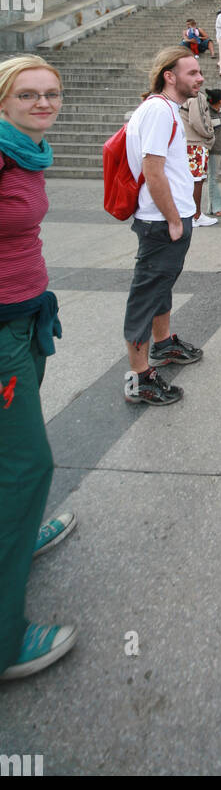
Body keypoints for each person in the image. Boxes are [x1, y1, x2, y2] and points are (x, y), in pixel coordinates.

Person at [0, 55, 77, 682]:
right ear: (3, 100)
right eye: (28, 94)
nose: (43, 103)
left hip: (27, 318)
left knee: (13, 455)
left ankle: (20, 532)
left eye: (51, 93)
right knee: (28, 464)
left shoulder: (30, 152)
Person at [123, 48, 206, 406]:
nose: (200, 78)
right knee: (146, 296)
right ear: (169, 76)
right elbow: (153, 172)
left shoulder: (167, 109)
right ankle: (140, 378)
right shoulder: (158, 111)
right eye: (192, 72)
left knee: (161, 288)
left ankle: (163, 343)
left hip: (170, 219)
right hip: (161, 222)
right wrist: (174, 220)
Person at [180, 87, 218, 226]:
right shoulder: (196, 96)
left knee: (189, 180)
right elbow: (197, 120)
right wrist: (209, 134)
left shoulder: (180, 94)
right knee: (197, 180)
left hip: (185, 142)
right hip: (195, 143)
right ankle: (195, 215)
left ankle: (191, 214)